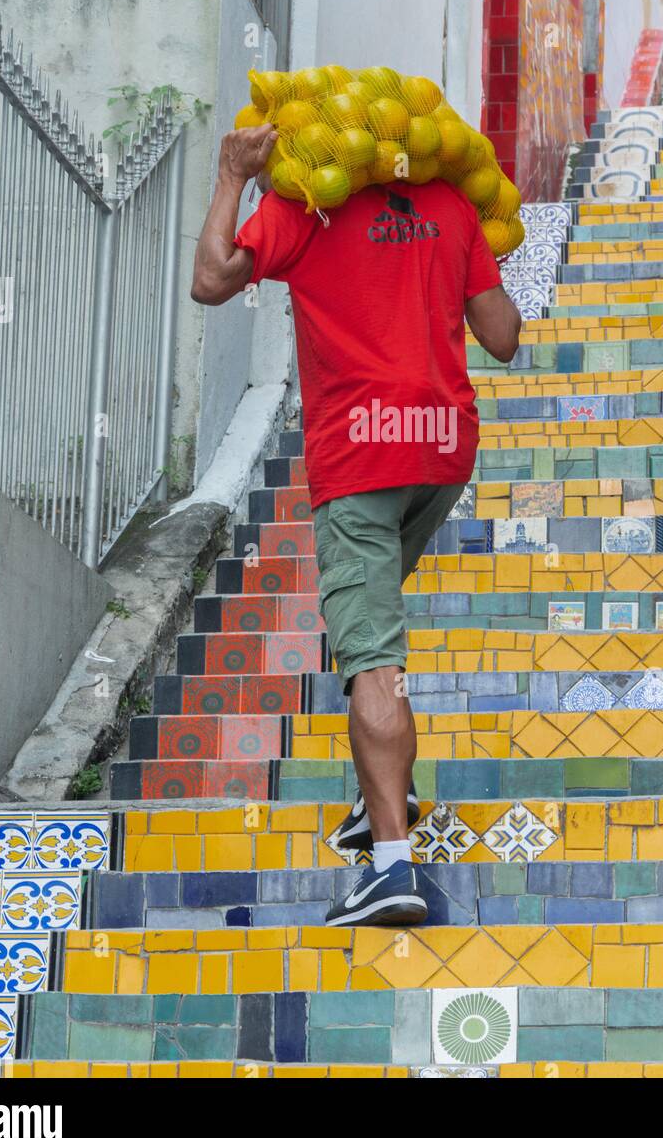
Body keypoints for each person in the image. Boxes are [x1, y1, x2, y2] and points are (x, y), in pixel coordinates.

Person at [191, 123, 521, 925]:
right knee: (367, 621)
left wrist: (233, 175)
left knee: (371, 657)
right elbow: (504, 338)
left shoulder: (306, 209)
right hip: (441, 452)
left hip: (362, 456)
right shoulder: (448, 205)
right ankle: (389, 787)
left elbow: (211, 281)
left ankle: (393, 867)